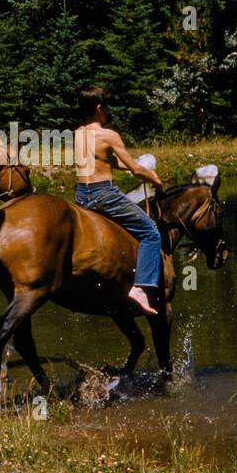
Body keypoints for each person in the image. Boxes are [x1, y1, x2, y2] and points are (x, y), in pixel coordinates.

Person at [72, 86, 164, 316]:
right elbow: (134, 169)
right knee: (151, 233)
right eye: (106, 108)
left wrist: (128, 166)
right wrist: (154, 179)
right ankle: (141, 287)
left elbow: (104, 161)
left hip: (82, 195)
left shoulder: (77, 134)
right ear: (100, 108)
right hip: (105, 195)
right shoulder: (109, 135)